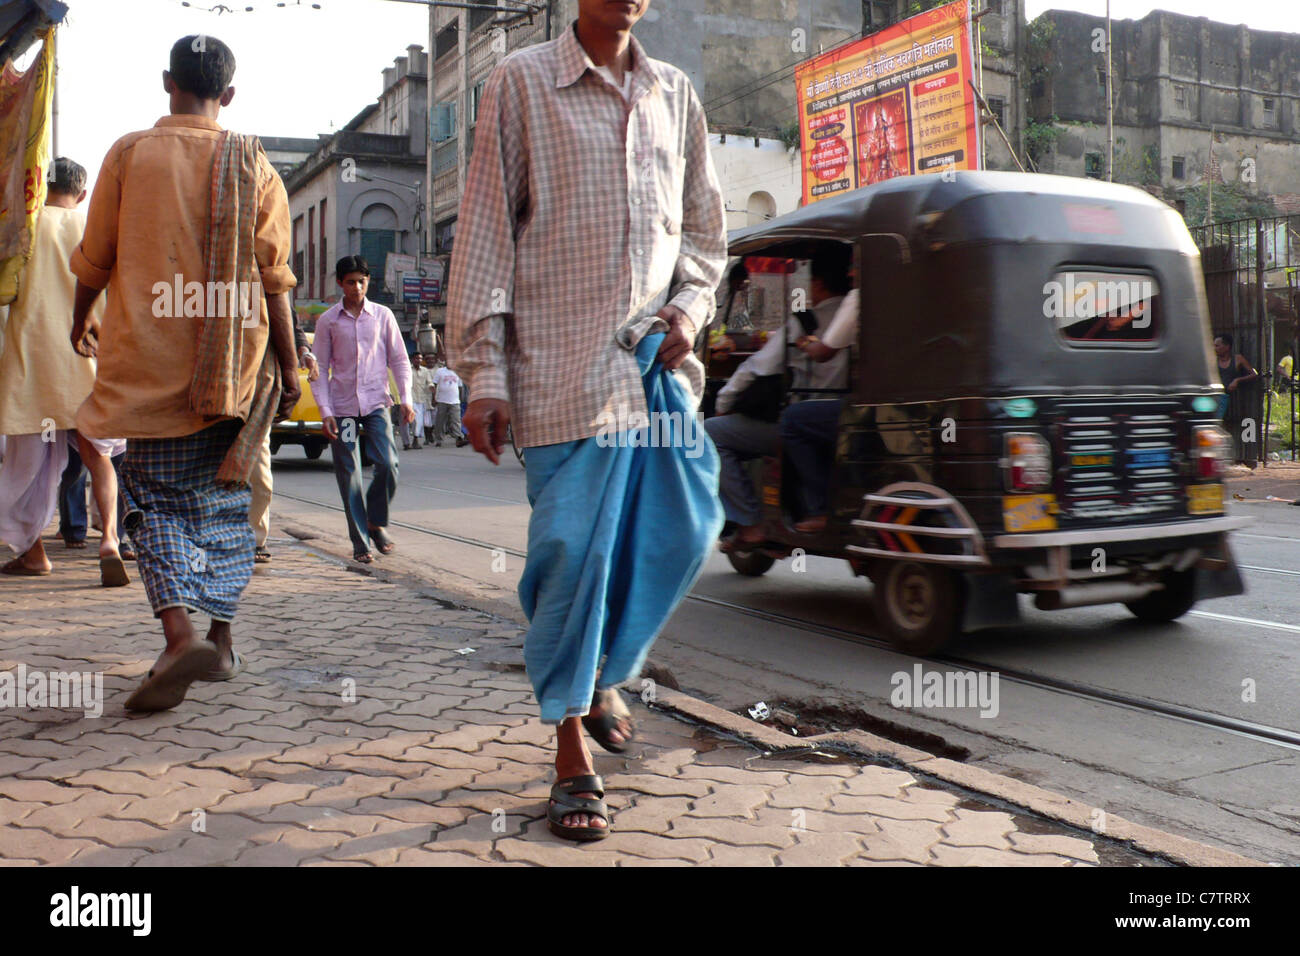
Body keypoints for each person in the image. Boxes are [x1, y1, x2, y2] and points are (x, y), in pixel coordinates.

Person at [447, 0, 726, 841]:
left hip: (655, 378)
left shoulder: (675, 92)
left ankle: (603, 674)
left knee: (685, 529)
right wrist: (484, 373)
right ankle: (572, 751)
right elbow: (488, 234)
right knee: (570, 559)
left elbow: (707, 233)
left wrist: (689, 307)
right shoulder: (519, 83)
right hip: (560, 377)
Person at [70, 36, 300, 711]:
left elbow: (96, 256)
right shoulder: (252, 161)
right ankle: (221, 641)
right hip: (233, 369)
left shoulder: (129, 152)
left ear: (166, 82)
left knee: (151, 498)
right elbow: (276, 278)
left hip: (147, 363)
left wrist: (79, 316)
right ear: (227, 96)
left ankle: (179, 635)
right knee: (225, 503)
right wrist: (289, 363)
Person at [0, 157, 127, 583]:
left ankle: (34, 552)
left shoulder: (21, 230)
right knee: (99, 457)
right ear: (83, 193)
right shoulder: (96, 229)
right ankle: (109, 537)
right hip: (89, 358)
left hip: (34, 362)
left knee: (24, 468)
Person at [704, 248, 853, 549]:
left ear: (819, 284)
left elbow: (756, 367)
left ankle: (750, 523)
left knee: (709, 434)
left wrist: (723, 404)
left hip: (805, 422)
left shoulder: (804, 322)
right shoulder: (865, 318)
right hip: (851, 417)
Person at [310, 255, 413, 563]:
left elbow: (399, 360)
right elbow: (320, 368)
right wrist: (325, 410)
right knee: (350, 472)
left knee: (388, 464)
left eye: (362, 281)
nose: (357, 287)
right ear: (340, 283)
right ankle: (361, 542)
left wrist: (406, 397)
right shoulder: (328, 320)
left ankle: (375, 521)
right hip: (343, 410)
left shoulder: (383, 316)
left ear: (369, 282)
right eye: (351, 281)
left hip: (376, 404)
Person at [780, 284, 861, 533]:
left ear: (817, 284)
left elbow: (824, 352)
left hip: (865, 406)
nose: (851, 273)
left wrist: (805, 344)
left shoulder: (859, 296)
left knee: (793, 420)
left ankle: (821, 509)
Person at [248, 297, 316, 564]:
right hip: (216, 390)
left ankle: (255, 541)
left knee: (262, 479)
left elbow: (290, 324)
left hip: (259, 392)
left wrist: (303, 352)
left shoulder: (273, 282)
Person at [1213, 332, 1257, 420]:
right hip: (1216, 397)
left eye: (1217, 346)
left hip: (1233, 399)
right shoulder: (1213, 359)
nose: (1215, 348)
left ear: (1227, 347)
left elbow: (1254, 374)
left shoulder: (1237, 359)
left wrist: (1237, 380)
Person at [430, 361, 465, 447]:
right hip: (442, 400)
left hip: (455, 400)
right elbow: (434, 384)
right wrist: (433, 398)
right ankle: (439, 439)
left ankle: (458, 438)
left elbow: (460, 387)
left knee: (456, 420)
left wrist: (460, 399)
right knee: (440, 421)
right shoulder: (440, 371)